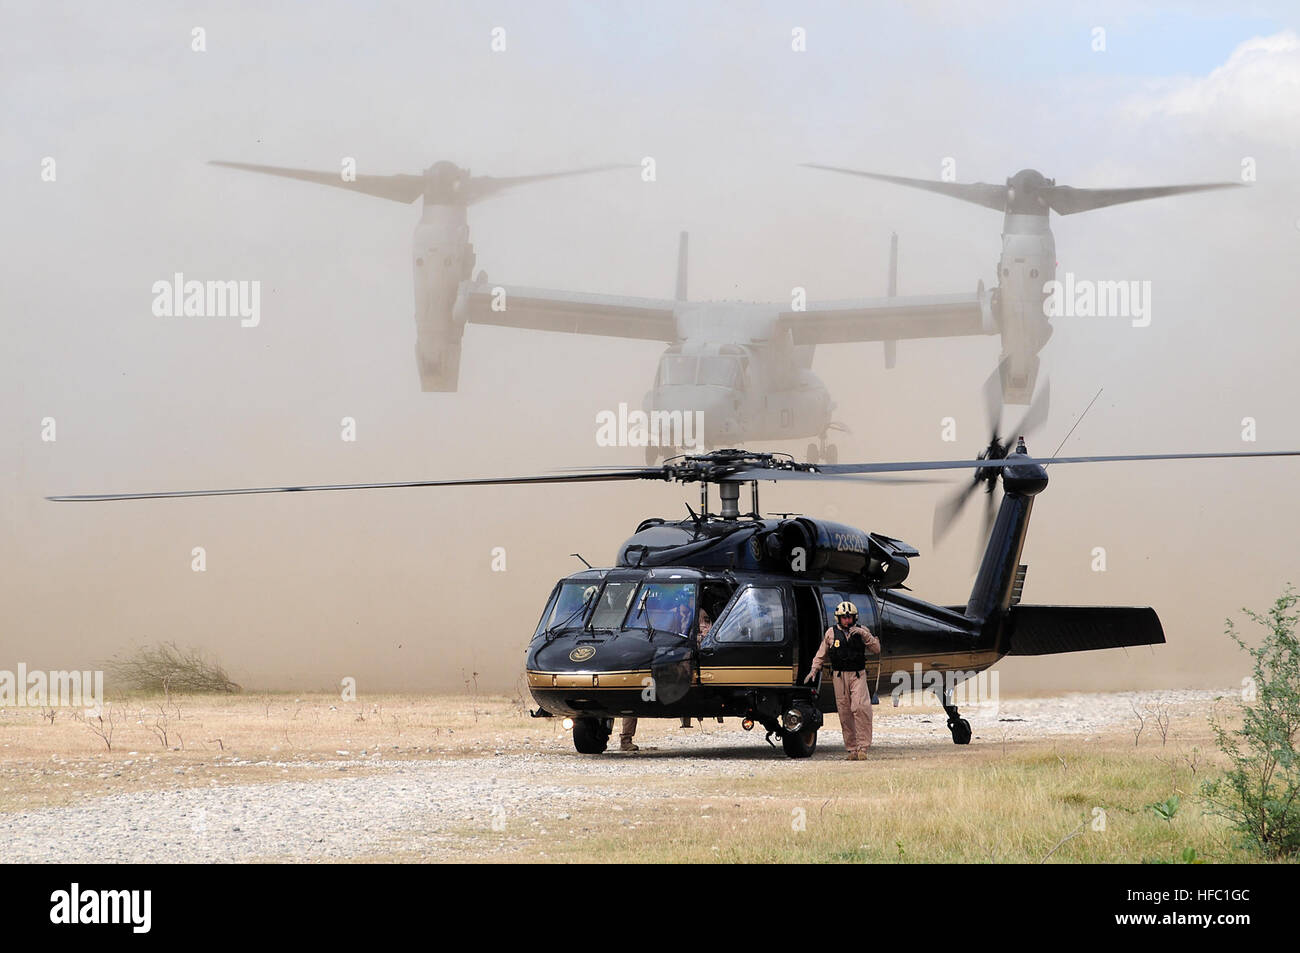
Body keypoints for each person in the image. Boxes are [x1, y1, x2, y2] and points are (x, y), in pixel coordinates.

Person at [804, 601, 880, 760]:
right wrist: (813, 670)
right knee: (845, 712)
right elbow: (821, 654)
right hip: (839, 677)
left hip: (858, 675)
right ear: (838, 618)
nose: (847, 620)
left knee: (860, 708)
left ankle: (863, 747)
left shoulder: (862, 631)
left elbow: (876, 649)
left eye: (850, 617)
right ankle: (852, 749)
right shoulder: (831, 633)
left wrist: (864, 634)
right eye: (844, 618)